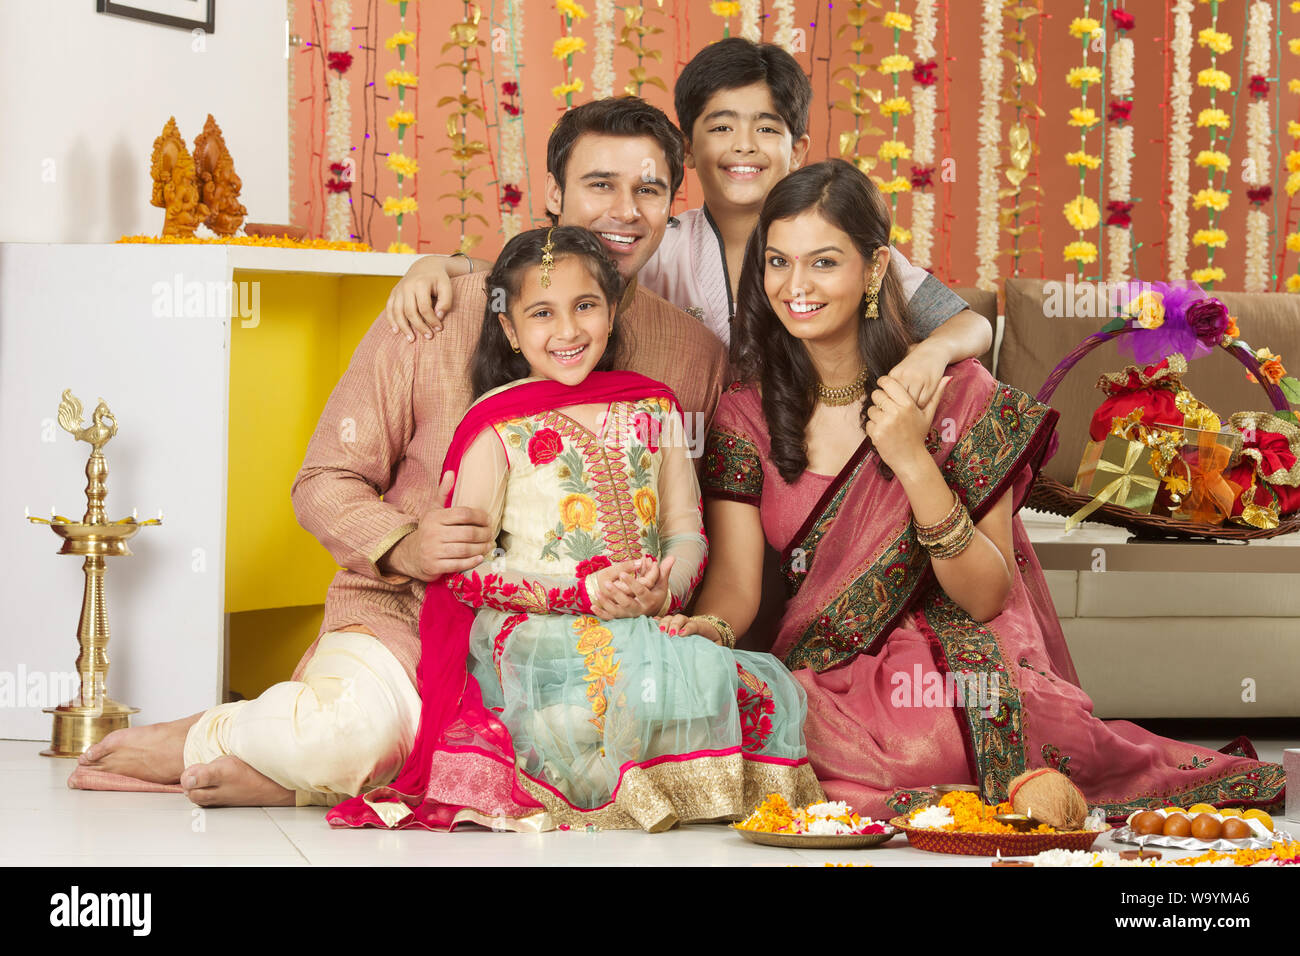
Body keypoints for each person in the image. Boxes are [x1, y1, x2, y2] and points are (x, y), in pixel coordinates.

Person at [72, 97, 731, 808]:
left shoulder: (692, 355)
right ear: (553, 193)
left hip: (582, 648)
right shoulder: (441, 308)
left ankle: (282, 776)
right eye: (600, 184)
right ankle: (210, 735)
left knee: (661, 754)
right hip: (408, 617)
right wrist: (407, 545)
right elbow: (324, 478)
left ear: (674, 204)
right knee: (345, 738)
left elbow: (684, 516)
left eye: (649, 189)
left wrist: (665, 589)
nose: (624, 210)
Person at [662, 160, 1286, 822]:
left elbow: (987, 594)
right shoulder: (746, 411)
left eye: (823, 262)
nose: (796, 286)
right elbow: (735, 583)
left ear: (875, 270)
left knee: (935, 730)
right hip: (828, 659)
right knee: (738, 705)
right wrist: (711, 627)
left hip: (954, 644)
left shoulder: (959, 393)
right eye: (778, 263)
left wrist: (910, 458)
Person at [327, 226, 821, 832]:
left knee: (740, 684)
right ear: (509, 329)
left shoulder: (655, 409)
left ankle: (636, 773)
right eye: (541, 313)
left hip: (643, 622)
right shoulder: (496, 425)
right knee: (588, 707)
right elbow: (468, 575)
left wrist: (663, 592)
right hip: (540, 635)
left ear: (612, 313)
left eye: (585, 306)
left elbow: (686, 530)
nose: (567, 331)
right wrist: (583, 596)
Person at [386, 40, 991, 410]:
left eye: (768, 128)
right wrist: (443, 265)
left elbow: (968, 324)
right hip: (693, 470)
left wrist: (928, 355)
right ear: (689, 147)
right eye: (721, 126)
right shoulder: (658, 240)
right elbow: (545, 280)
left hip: (812, 463)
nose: (744, 147)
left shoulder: (833, 242)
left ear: (799, 147)